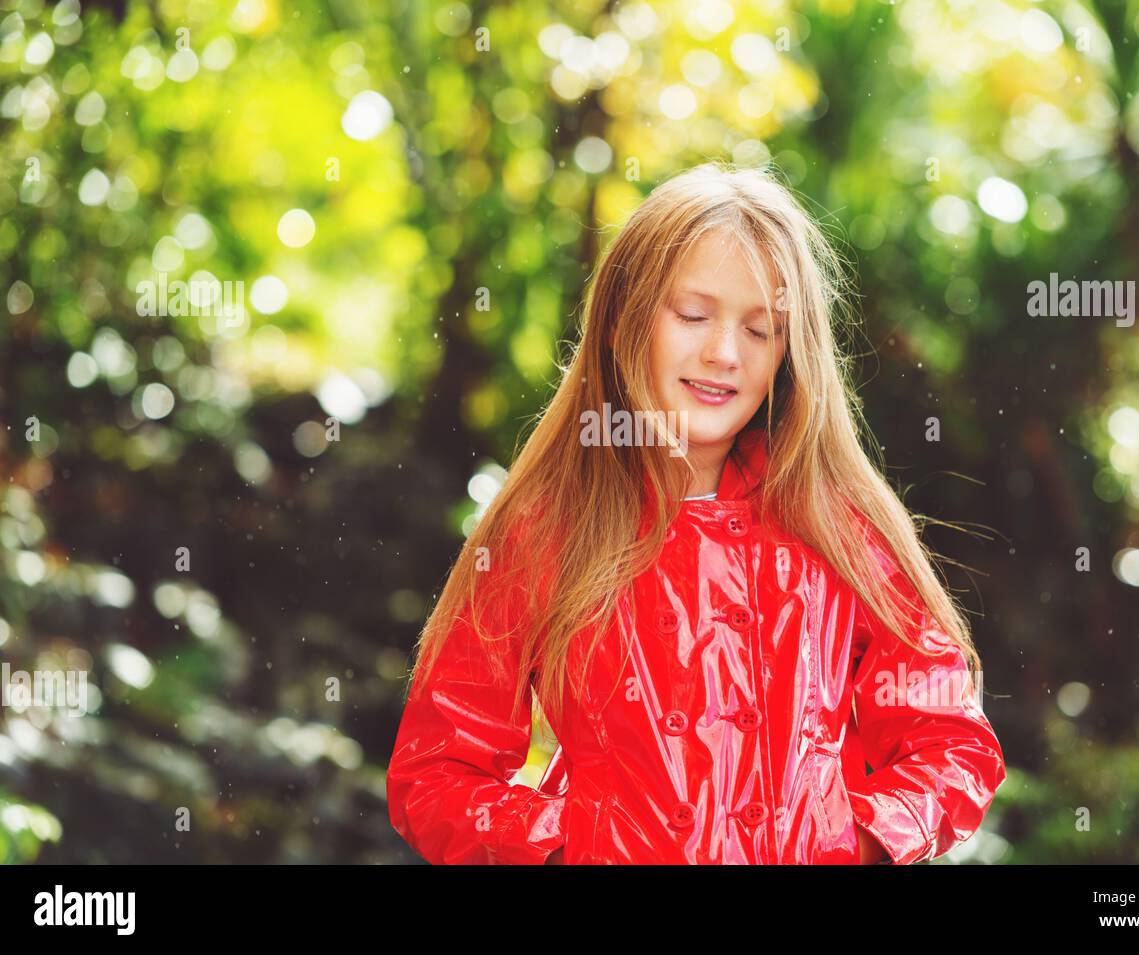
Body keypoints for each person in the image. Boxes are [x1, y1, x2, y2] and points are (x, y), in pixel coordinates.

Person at [386, 161, 1007, 864]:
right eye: (692, 314)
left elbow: (950, 743)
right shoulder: (545, 526)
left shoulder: (839, 524)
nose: (723, 354)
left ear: (790, 354)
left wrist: (852, 842)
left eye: (761, 329)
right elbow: (436, 772)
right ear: (624, 319)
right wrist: (576, 846)